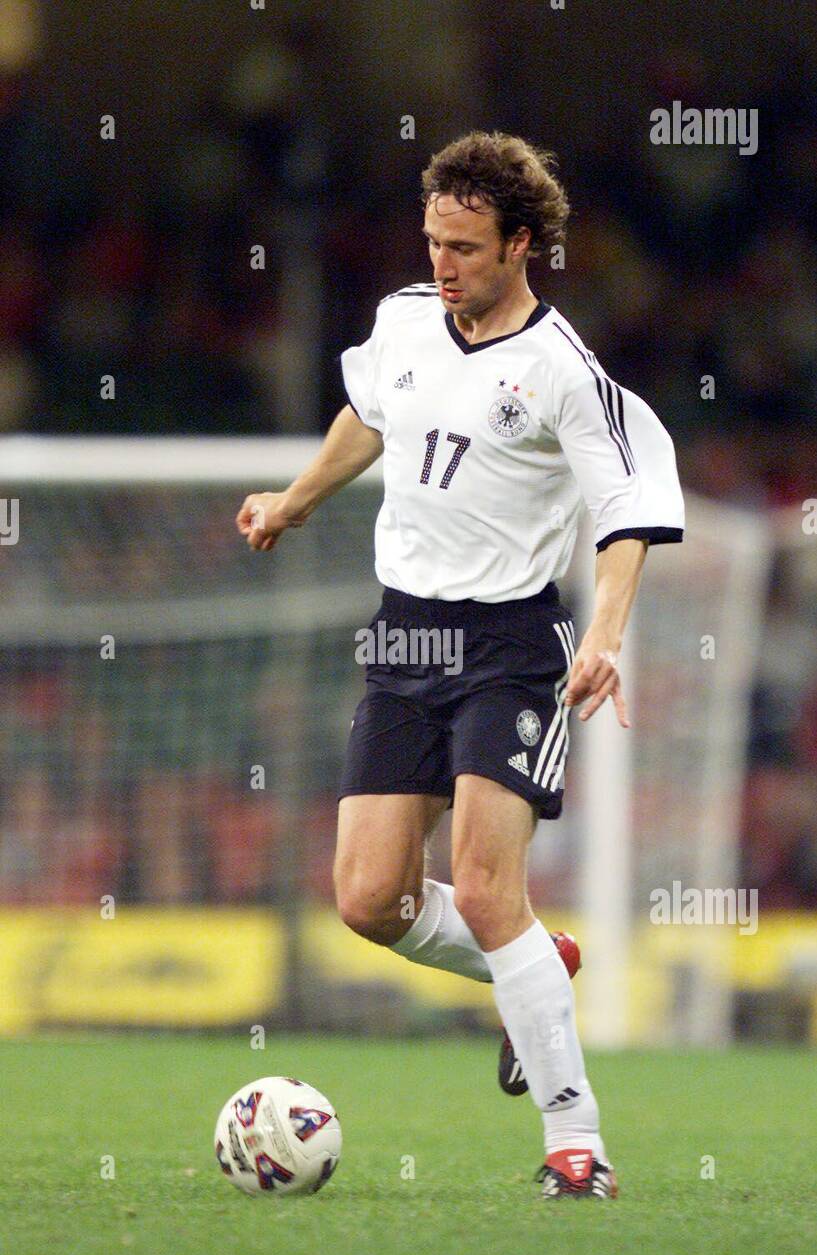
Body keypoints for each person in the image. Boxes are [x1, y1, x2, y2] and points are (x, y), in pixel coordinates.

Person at [236, 130, 684, 1199]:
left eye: (466, 247)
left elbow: (628, 514)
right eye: (433, 239)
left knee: (488, 890)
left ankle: (575, 1141)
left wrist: (609, 635)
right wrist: (296, 500)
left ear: (521, 244)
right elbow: (370, 415)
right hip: (403, 636)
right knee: (367, 898)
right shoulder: (402, 319)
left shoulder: (563, 372)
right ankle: (537, 961)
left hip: (509, 649)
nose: (442, 263)